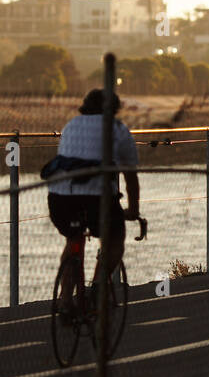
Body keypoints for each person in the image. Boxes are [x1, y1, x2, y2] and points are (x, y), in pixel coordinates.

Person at [46, 88, 140, 318]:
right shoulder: (117, 129)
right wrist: (134, 209)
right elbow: (130, 176)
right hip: (96, 197)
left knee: (74, 239)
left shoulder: (71, 126)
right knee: (114, 238)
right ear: (114, 109)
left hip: (59, 196)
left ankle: (66, 300)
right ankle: (98, 286)